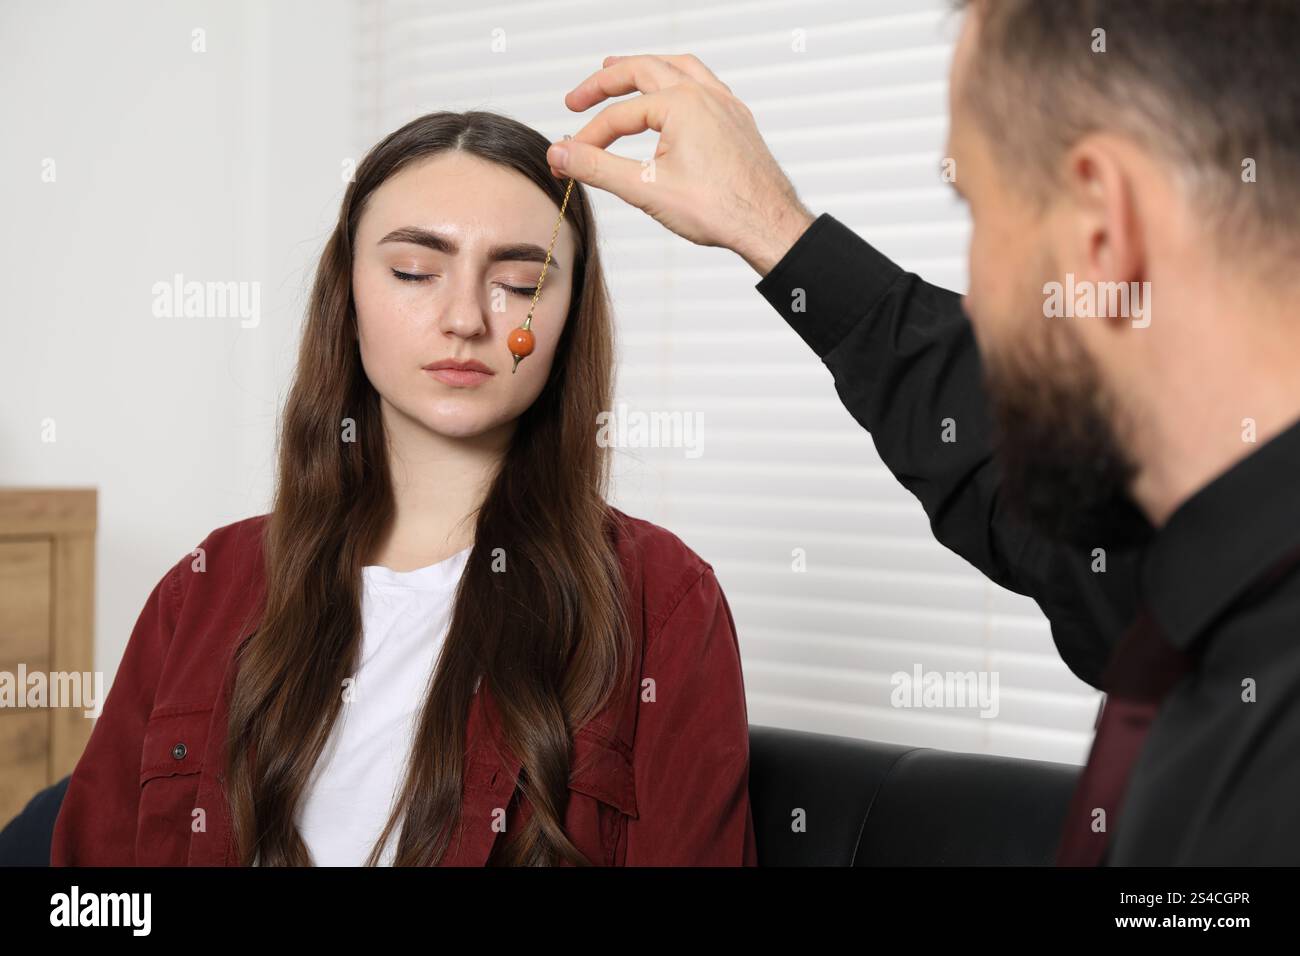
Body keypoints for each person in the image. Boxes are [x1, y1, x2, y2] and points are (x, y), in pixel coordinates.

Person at [544, 0, 1300, 864]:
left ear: (1102, 226)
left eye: (978, 210)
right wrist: (779, 236)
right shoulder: (1196, 579)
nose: (975, 300)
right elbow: (1029, 505)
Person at [50, 110, 756, 867]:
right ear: (346, 299)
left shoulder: (665, 601)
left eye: (518, 283)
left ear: (568, 317)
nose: (463, 319)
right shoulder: (204, 589)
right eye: (415, 272)